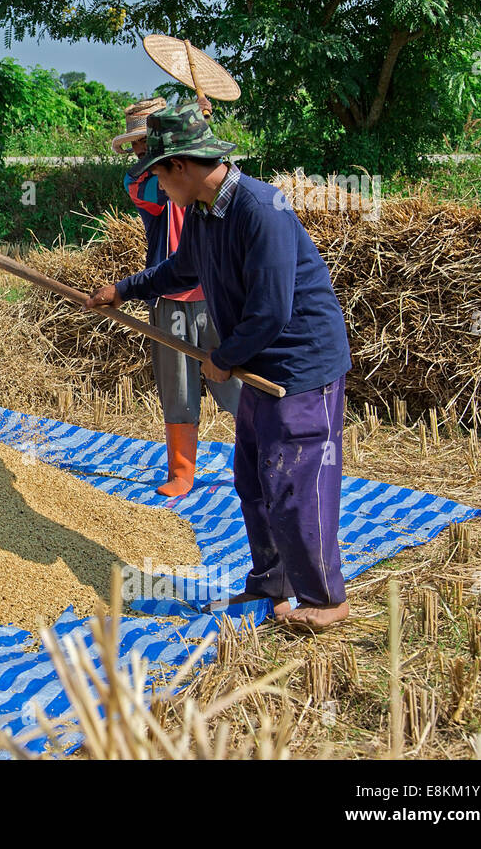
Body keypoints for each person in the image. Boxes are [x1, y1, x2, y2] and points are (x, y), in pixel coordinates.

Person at [86, 103, 353, 633]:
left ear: (180, 167)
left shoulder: (261, 209)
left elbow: (272, 309)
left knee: (294, 482)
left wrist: (223, 358)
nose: (157, 187)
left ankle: (325, 599)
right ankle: (271, 582)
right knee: (253, 479)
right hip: (257, 360)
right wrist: (125, 289)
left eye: (158, 173)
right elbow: (183, 268)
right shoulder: (208, 213)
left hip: (296, 367)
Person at [111, 97, 241, 496]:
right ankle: (182, 471)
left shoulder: (202, 173)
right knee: (178, 385)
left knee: (237, 382)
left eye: (143, 144)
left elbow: (216, 174)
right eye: (135, 147)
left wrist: (197, 137)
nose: (138, 153)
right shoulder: (145, 182)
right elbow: (156, 184)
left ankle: (257, 457)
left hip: (218, 292)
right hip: (171, 296)